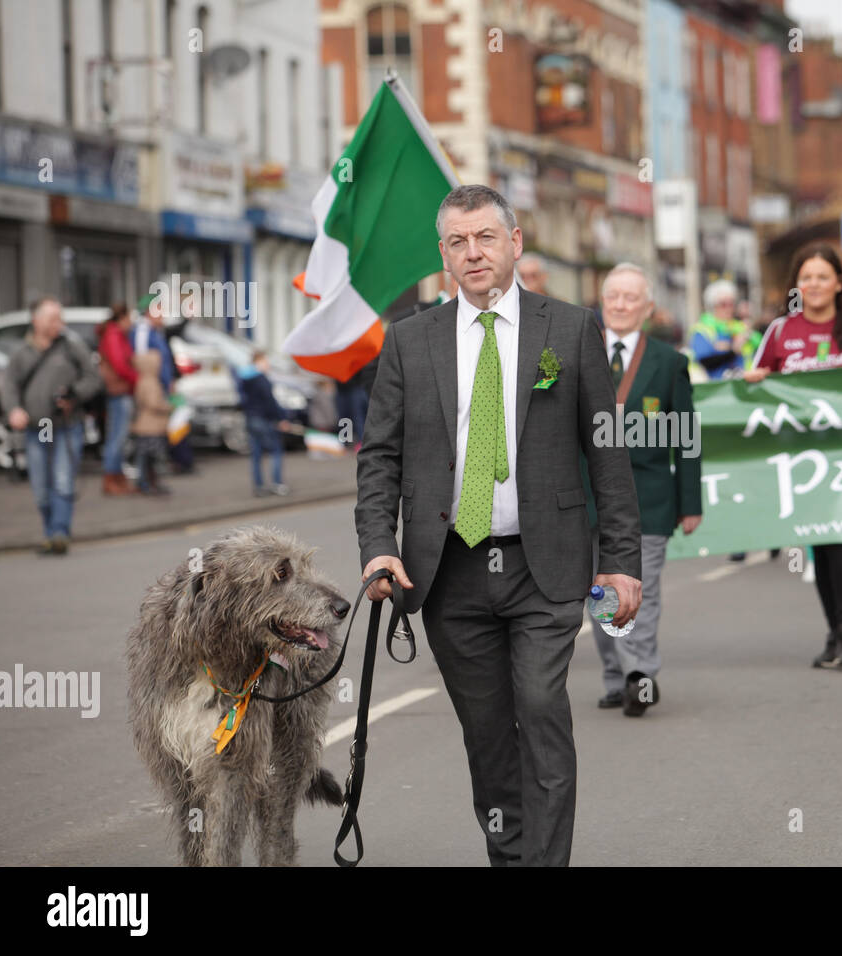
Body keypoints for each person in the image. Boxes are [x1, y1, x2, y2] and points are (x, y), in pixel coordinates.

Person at [354, 183, 642, 866]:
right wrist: (377, 550)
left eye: (486, 237)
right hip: (448, 572)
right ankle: (510, 856)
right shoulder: (409, 341)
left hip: (545, 567)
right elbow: (380, 462)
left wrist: (621, 561)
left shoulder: (568, 329)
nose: (473, 252)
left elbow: (607, 452)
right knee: (486, 736)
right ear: (443, 256)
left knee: (541, 708)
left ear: (515, 242)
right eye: (458, 241)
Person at [746, 243, 842, 670]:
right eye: (806, 278)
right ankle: (835, 632)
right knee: (820, 543)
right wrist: (753, 378)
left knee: (840, 537)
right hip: (801, 460)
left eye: (822, 277)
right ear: (797, 284)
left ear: (839, 283)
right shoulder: (779, 333)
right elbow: (755, 386)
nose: (813, 285)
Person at [585, 263, 702, 715]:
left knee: (641, 589)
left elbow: (686, 439)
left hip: (649, 500)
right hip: (589, 501)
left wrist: (690, 502)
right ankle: (616, 677)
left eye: (630, 297)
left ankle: (640, 674)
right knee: (599, 593)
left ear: (648, 308)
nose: (619, 304)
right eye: (612, 295)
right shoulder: (578, 353)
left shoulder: (669, 363)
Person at [0, 297, 101, 555]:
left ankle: (59, 533)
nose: (60, 323)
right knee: (42, 488)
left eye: (60, 318)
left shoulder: (70, 347)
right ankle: (50, 531)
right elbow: (9, 386)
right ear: (37, 321)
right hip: (38, 428)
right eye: (53, 318)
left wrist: (74, 394)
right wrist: (14, 410)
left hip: (66, 425)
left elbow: (93, 378)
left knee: (63, 481)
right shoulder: (22, 354)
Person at [96, 302, 138, 495]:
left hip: (121, 391)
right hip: (118, 391)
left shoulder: (117, 335)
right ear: (121, 318)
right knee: (117, 437)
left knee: (119, 437)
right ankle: (111, 478)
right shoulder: (113, 335)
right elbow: (120, 364)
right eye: (129, 318)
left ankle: (117, 477)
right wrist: (136, 378)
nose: (131, 323)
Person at [236, 350, 291, 497]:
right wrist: (281, 418)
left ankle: (258, 486)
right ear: (258, 361)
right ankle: (277, 483)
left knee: (256, 454)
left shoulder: (243, 379)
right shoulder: (261, 379)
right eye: (265, 361)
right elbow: (270, 401)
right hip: (263, 419)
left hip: (251, 419)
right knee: (276, 450)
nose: (268, 364)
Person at [129, 350, 172, 495]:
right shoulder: (151, 382)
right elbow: (153, 403)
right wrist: (168, 406)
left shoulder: (142, 379)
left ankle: (144, 482)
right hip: (151, 426)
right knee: (152, 457)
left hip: (143, 426)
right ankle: (150, 483)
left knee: (143, 456)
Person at [689, 279, 746, 380]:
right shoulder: (702, 330)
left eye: (731, 303)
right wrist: (733, 351)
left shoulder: (740, 328)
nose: (729, 308)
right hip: (716, 390)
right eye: (723, 304)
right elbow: (705, 362)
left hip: (743, 387)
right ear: (713, 306)